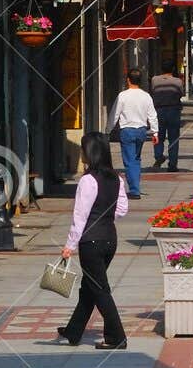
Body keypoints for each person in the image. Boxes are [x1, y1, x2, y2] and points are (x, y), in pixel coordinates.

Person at [57, 133, 129, 350]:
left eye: (82, 149)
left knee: (99, 289)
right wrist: (104, 217)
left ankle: (116, 336)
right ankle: (74, 330)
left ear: (90, 153)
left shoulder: (88, 181)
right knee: (89, 286)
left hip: (92, 242)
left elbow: (80, 216)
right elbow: (123, 209)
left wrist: (70, 245)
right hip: (109, 239)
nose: (81, 154)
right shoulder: (117, 178)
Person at [108, 68, 159, 199]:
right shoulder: (146, 96)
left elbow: (115, 115)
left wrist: (108, 130)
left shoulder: (123, 96)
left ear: (128, 80)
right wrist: (155, 132)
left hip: (127, 131)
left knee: (129, 161)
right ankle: (135, 186)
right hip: (141, 131)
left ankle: (135, 189)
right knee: (136, 159)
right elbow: (152, 115)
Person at [150, 64, 186, 171]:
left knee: (158, 136)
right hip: (173, 111)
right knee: (173, 139)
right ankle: (173, 165)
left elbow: (153, 91)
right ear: (173, 69)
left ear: (161, 69)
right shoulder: (178, 81)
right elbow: (181, 94)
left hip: (159, 110)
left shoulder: (154, 80)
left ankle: (158, 156)